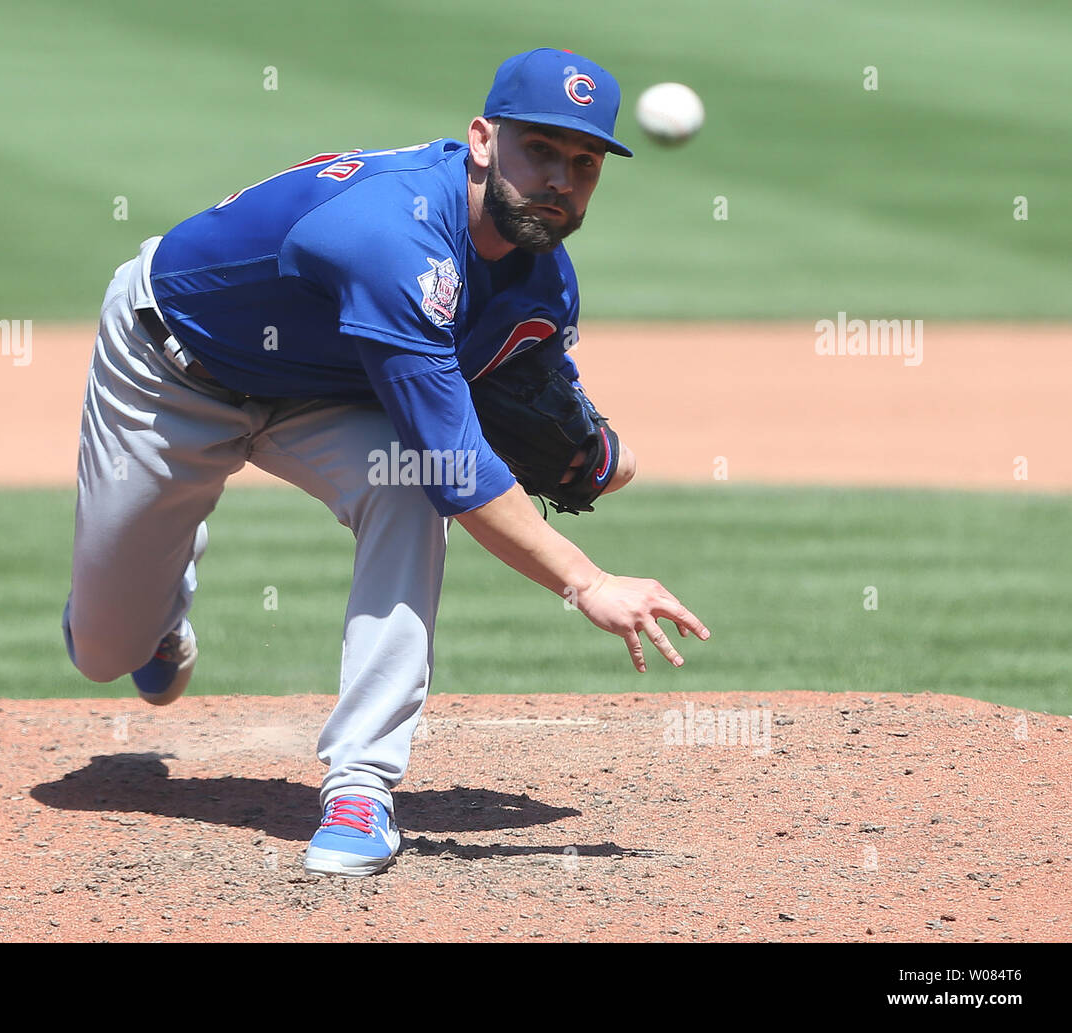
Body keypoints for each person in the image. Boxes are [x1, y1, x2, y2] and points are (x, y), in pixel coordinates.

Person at [62, 47, 710, 878]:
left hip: (326, 395)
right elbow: (459, 465)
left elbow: (534, 390)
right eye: (539, 151)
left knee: (406, 493)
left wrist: (599, 457)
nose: (560, 179)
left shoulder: (544, 278)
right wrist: (588, 581)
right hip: (171, 365)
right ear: (482, 140)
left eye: (584, 164)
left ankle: (360, 786)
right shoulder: (393, 235)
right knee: (104, 652)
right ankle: (156, 608)